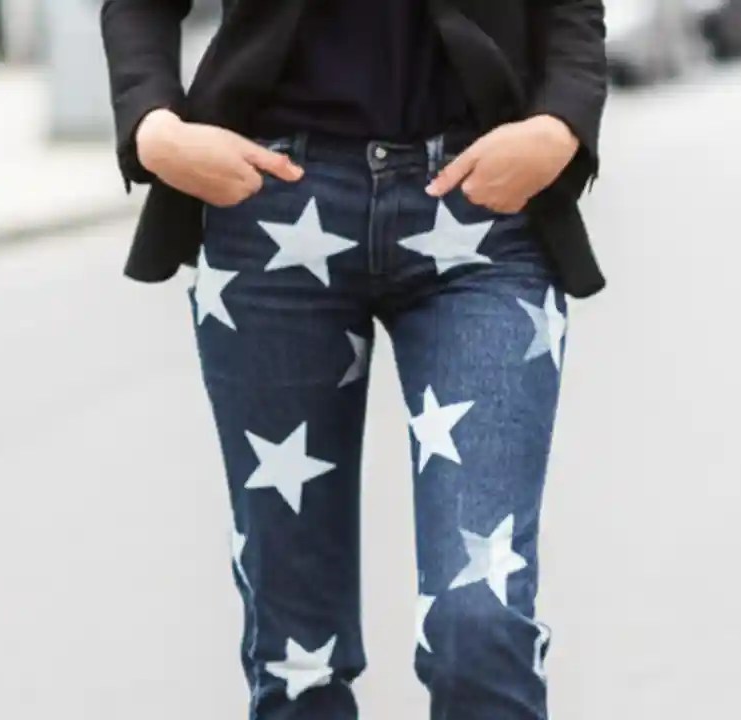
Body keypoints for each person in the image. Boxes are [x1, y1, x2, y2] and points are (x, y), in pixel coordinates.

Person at [101, 0, 606, 717]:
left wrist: (561, 124)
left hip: (481, 213)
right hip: (273, 209)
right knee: (296, 656)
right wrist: (153, 127)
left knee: (480, 627)